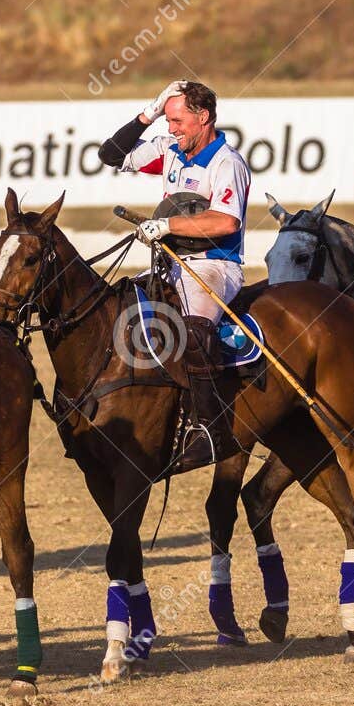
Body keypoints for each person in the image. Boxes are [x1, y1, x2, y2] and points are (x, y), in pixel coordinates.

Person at [96, 80, 250, 474]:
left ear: (204, 118)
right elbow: (111, 155)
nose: (172, 129)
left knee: (194, 331)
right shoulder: (170, 151)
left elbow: (225, 221)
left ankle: (207, 428)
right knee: (118, 306)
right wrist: (151, 110)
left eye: (178, 120)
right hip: (168, 262)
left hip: (213, 264)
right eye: (169, 121)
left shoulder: (226, 162)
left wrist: (166, 226)